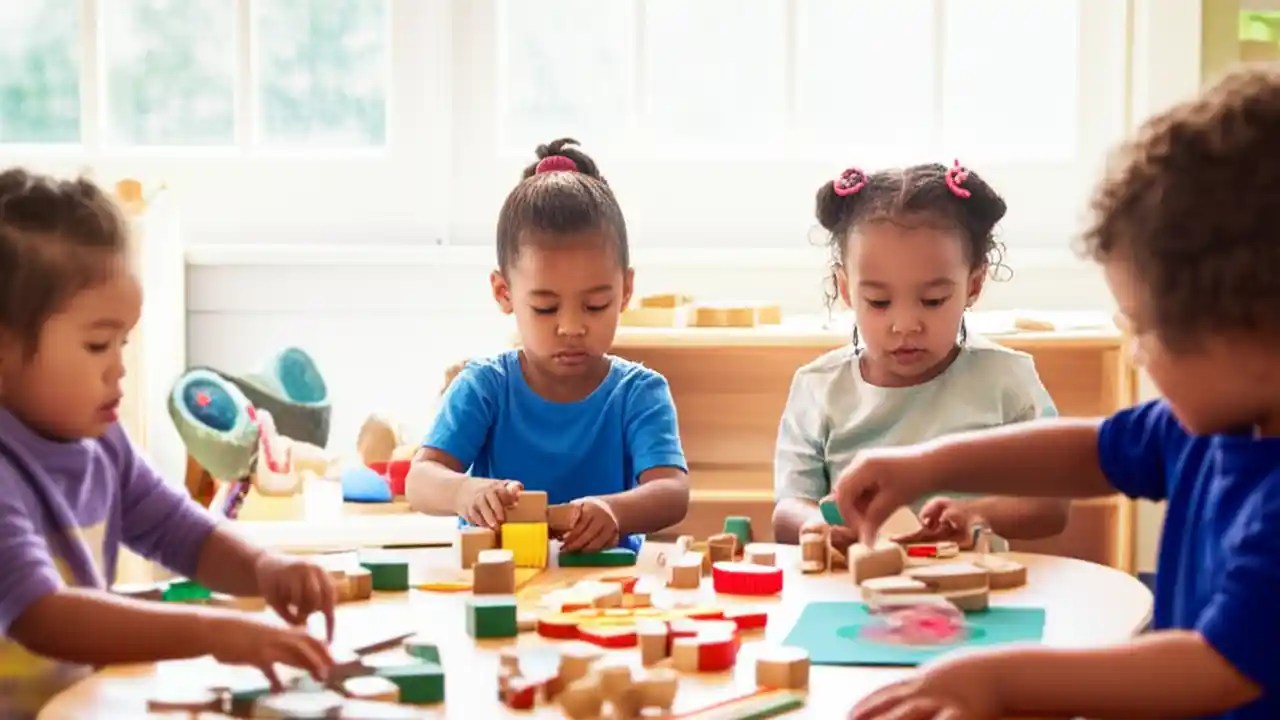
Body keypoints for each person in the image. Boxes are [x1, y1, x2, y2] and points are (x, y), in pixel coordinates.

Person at [837, 66, 1280, 720]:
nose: (1135, 352)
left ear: (1258, 331)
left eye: (1148, 331)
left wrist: (1000, 682)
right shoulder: (1212, 427)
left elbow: (1214, 668)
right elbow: (1092, 451)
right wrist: (928, 466)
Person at [0, 169, 336, 717]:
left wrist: (264, 568)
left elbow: (183, 532)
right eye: (97, 344)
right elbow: (43, 615)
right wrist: (214, 632)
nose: (119, 368)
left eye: (123, 340)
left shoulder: (104, 443)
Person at [406, 138, 689, 553]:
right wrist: (465, 493)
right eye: (545, 307)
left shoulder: (639, 393)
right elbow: (420, 479)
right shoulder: (485, 386)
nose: (571, 327)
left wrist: (614, 511)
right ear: (504, 293)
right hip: (500, 584)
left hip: (608, 595)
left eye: (595, 305)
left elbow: (672, 491)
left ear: (626, 289)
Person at [772, 161, 1068, 551]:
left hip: (973, 584)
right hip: (856, 584)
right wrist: (816, 526)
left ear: (974, 285)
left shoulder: (1007, 380)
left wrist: (977, 514)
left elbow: (1051, 507)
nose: (905, 324)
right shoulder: (819, 386)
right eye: (878, 302)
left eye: (932, 301)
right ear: (845, 289)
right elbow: (788, 508)